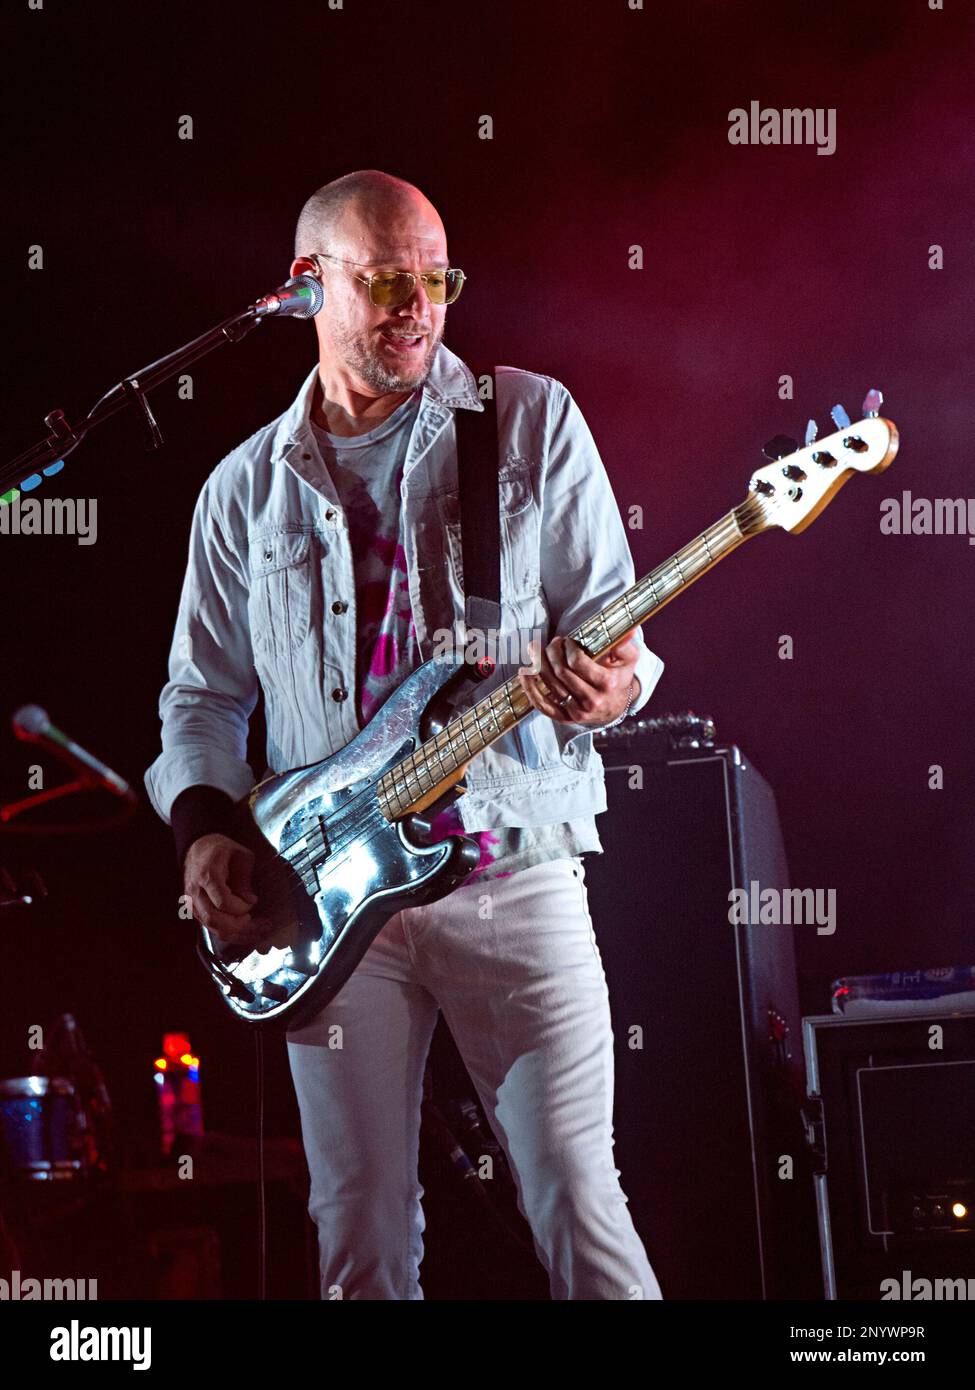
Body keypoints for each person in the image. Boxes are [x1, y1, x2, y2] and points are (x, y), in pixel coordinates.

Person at [145, 169, 665, 1300]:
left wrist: (607, 690)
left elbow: (615, 636)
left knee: (577, 1196)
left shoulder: (527, 419)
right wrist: (200, 831)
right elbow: (201, 698)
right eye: (387, 280)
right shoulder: (241, 491)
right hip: (331, 904)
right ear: (304, 288)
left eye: (438, 279)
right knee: (361, 1237)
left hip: (512, 868)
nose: (418, 306)